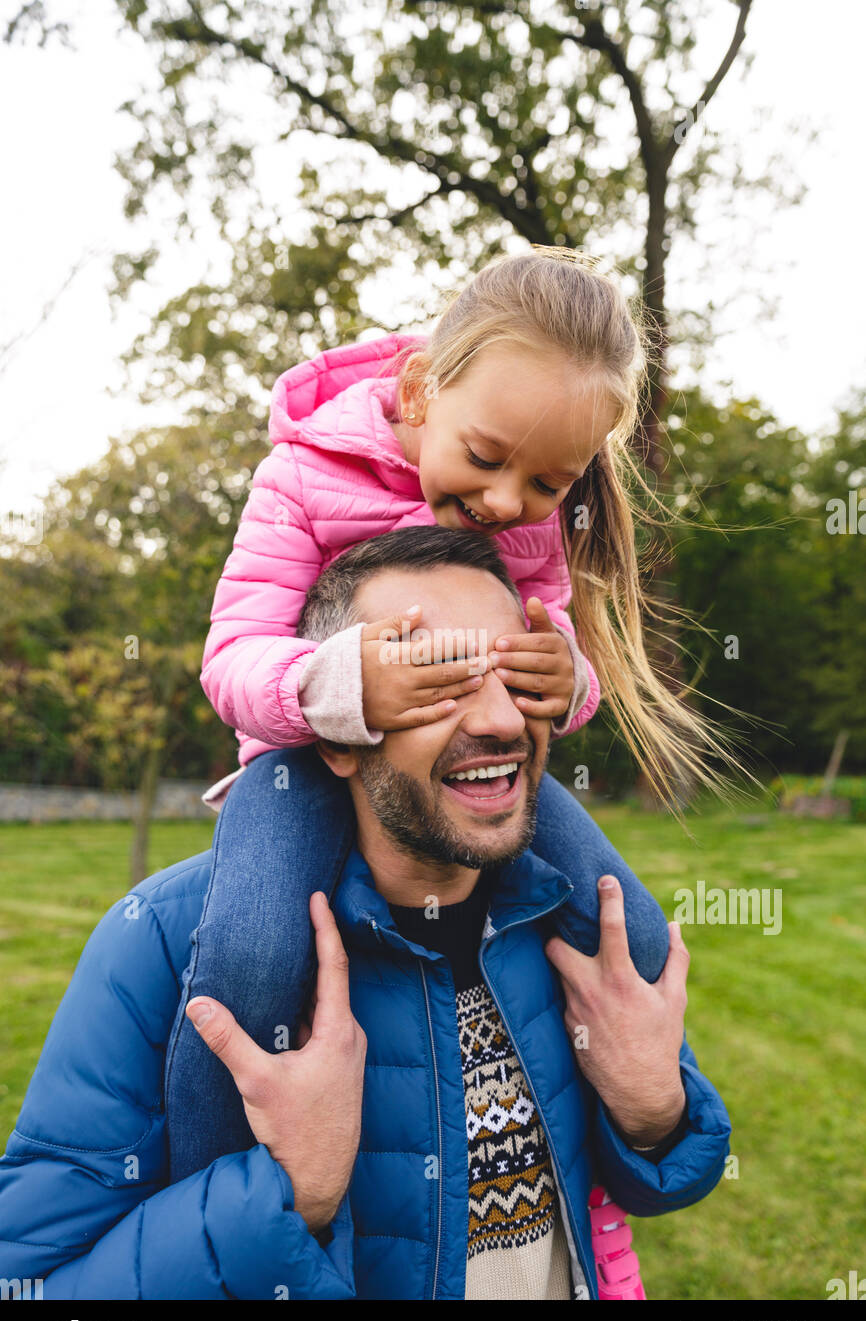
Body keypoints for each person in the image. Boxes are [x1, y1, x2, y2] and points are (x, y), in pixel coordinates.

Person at [0, 530, 732, 1300]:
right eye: (437, 682)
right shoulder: (162, 939)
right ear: (339, 735)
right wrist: (288, 1194)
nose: (503, 721)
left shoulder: (572, 919)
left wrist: (656, 1109)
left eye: (517, 676)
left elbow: (661, 1185)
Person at [167, 248, 739, 1201]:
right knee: (253, 954)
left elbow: (552, 650)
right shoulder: (304, 474)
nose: (509, 504)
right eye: (484, 458)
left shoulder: (529, 519)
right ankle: (212, 1189)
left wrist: (568, 675)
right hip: (304, 768)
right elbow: (229, 661)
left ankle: (598, 1161)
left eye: (551, 484)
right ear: (425, 387)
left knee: (632, 936)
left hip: (481, 772)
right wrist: (343, 686)